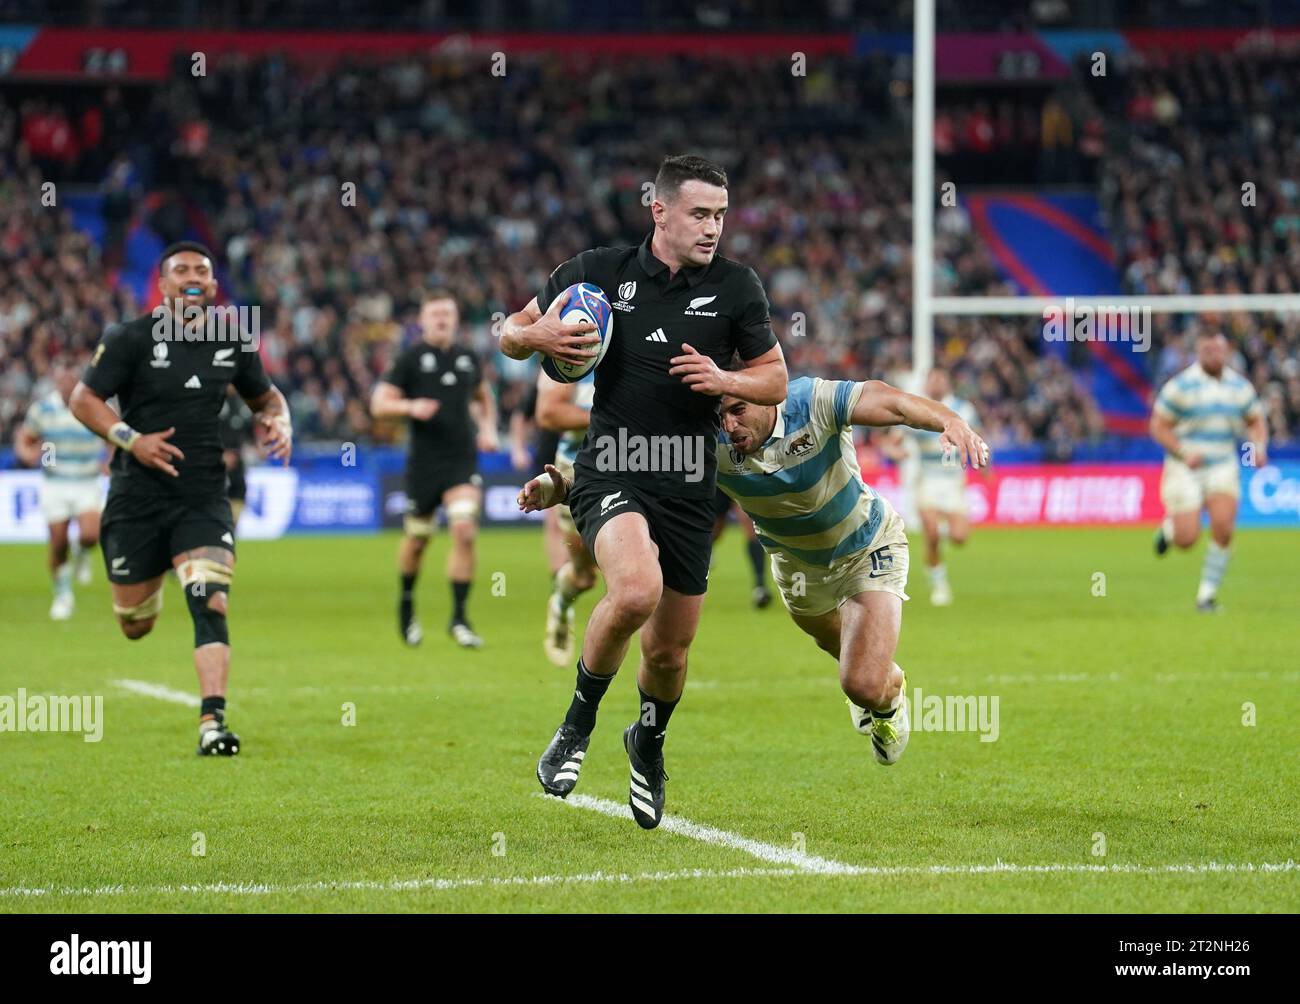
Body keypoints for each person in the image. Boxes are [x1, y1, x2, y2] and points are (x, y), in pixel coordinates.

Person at [504, 154, 787, 828]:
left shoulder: (738, 287)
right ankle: (576, 726)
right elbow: (511, 330)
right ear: (658, 210)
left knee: (669, 652)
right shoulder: (599, 273)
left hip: (692, 480)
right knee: (634, 590)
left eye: (720, 215)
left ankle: (649, 743)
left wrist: (726, 381)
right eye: (699, 213)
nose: (713, 227)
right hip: (612, 465)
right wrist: (534, 333)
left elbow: (773, 379)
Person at [523, 373, 989, 765]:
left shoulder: (813, 401)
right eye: (720, 415)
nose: (729, 425)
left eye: (739, 409)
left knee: (862, 682)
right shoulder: (708, 440)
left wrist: (948, 420)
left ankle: (887, 697)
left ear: (768, 397)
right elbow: (633, 465)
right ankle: (871, 670)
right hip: (796, 568)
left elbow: (892, 402)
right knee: (844, 650)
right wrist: (562, 484)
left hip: (867, 546)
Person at [69, 241, 292, 756]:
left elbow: (267, 397)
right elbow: (83, 399)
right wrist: (130, 440)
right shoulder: (128, 338)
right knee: (135, 624)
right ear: (164, 285)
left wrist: (280, 420)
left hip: (202, 497)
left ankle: (212, 723)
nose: (193, 277)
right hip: (136, 500)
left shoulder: (233, 341)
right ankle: (162, 573)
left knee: (209, 600)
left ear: (213, 287)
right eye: (181, 270)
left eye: (203, 271)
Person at [370, 291, 499, 648]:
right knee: (418, 540)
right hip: (424, 464)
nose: (442, 319)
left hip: (462, 459)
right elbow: (379, 405)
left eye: (447, 313)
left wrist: (488, 428)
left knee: (464, 531)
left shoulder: (468, 358)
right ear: (423, 320)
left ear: (456, 319)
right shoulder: (410, 359)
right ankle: (407, 606)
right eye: (435, 314)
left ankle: (459, 618)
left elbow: (483, 395)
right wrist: (410, 407)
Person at [1150, 329, 1267, 611]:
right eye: (1208, 351)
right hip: (1184, 466)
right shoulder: (1180, 386)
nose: (1215, 356)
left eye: (1219, 350)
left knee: (1224, 527)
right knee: (1187, 538)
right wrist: (1182, 451)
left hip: (1222, 465)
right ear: (1198, 352)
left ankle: (1206, 597)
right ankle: (1171, 530)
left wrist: (1257, 448)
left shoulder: (1239, 387)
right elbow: (1158, 425)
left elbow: (1255, 420)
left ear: (1226, 352)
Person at [13, 355, 106, 620]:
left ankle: (82, 551)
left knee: (91, 535)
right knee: (58, 541)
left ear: (78, 381)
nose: (66, 385)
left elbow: (111, 435)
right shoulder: (43, 410)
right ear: (56, 382)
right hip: (55, 483)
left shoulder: (91, 406)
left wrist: (112, 460)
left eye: (70, 379)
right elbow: (26, 439)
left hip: (87, 480)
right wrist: (29, 454)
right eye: (62, 380)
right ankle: (63, 594)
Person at [889, 367, 981, 606]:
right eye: (932, 380)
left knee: (959, 537)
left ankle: (941, 533)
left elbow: (977, 437)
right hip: (927, 480)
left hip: (953, 481)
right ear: (927, 385)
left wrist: (985, 465)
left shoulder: (964, 410)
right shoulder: (918, 410)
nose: (936, 384)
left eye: (940, 380)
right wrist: (896, 452)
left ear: (947, 383)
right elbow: (892, 441)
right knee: (930, 531)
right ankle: (939, 585)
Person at [535, 369, 599, 666]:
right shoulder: (578, 344)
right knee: (585, 576)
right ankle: (561, 604)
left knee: (644, 573)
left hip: (639, 467)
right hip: (577, 474)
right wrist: (614, 416)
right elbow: (548, 413)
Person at [710, 490, 772, 608]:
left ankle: (760, 586)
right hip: (718, 480)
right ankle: (706, 550)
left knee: (752, 528)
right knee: (715, 530)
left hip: (741, 476)